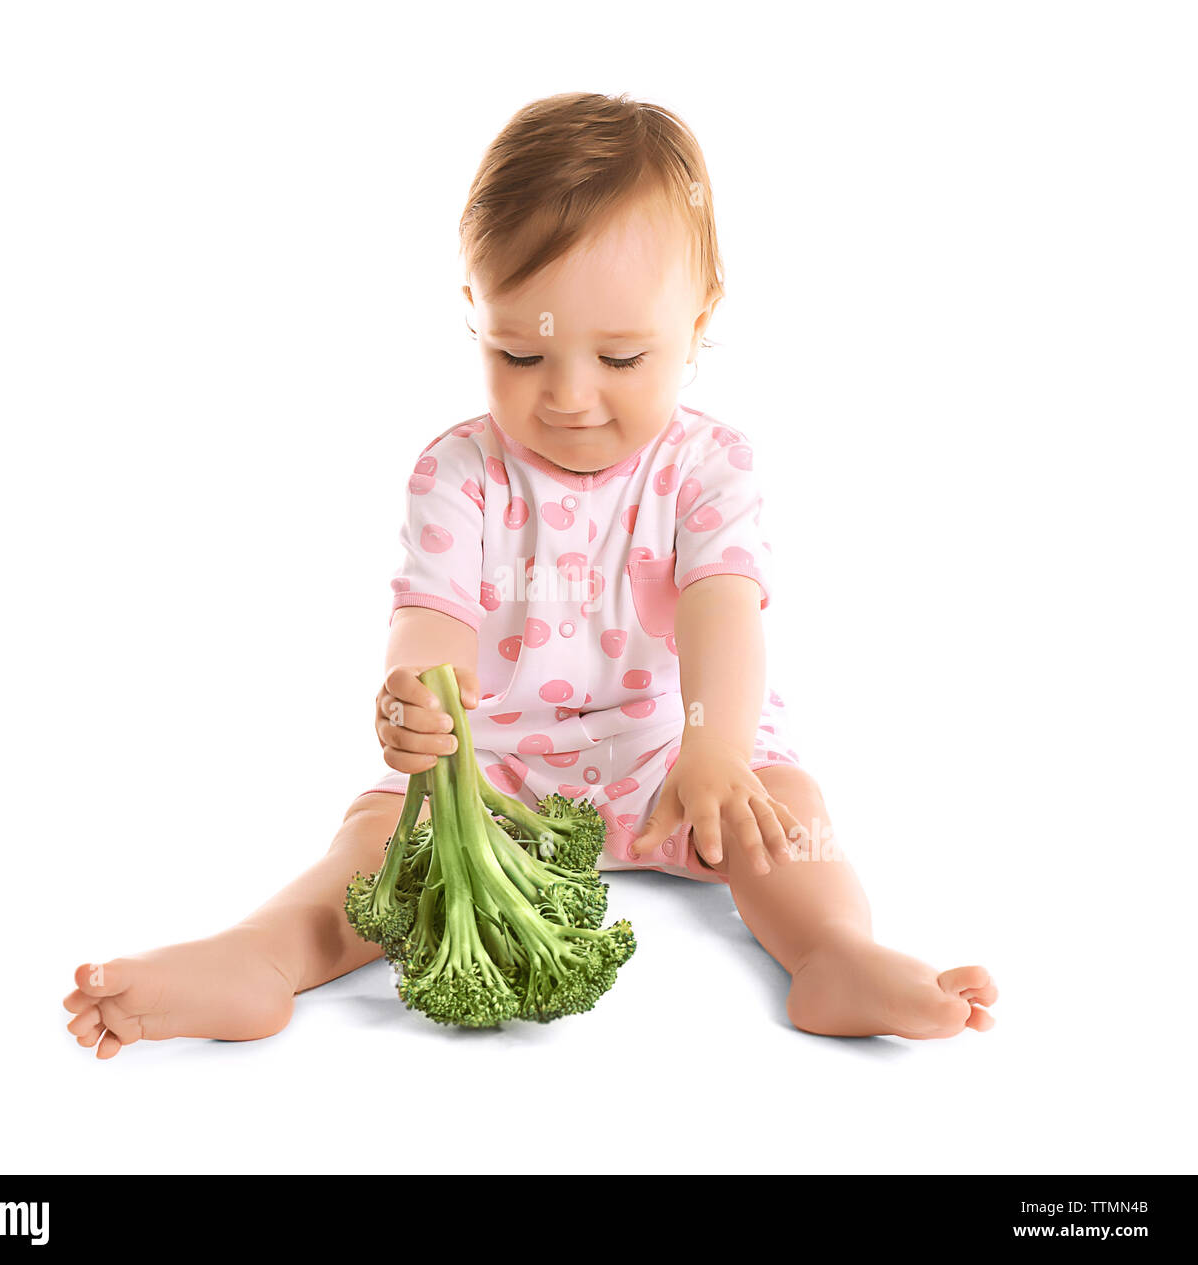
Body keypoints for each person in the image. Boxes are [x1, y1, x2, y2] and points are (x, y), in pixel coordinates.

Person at [63, 92, 996, 1057]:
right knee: (373, 847)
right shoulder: (459, 471)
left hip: (675, 754)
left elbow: (725, 610)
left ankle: (834, 951)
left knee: (786, 817)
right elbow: (431, 613)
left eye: (623, 356)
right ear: (474, 311)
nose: (569, 394)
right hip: (498, 769)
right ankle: (259, 956)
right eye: (520, 350)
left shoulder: (708, 467)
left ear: (699, 320)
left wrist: (713, 746)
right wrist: (416, 697)